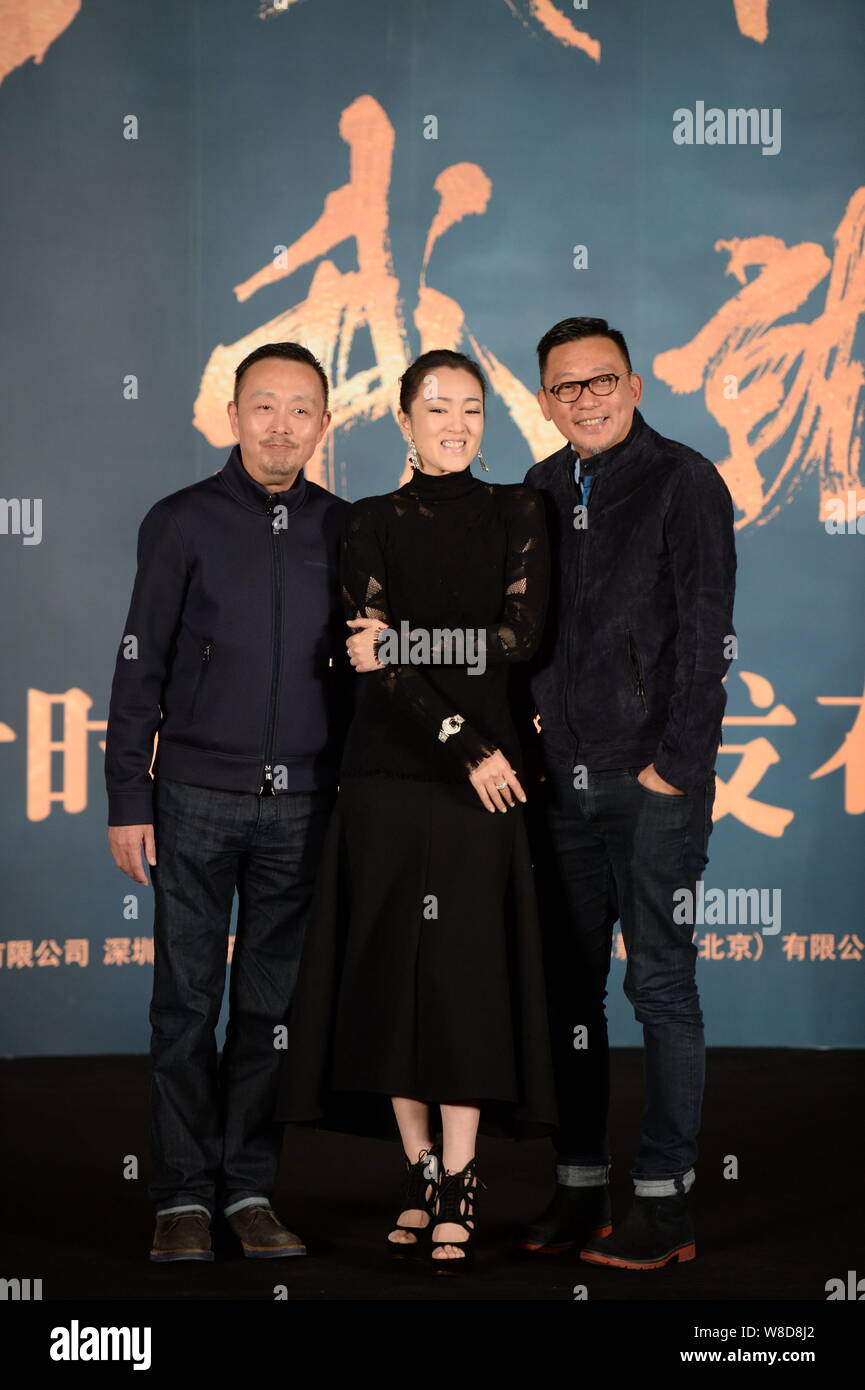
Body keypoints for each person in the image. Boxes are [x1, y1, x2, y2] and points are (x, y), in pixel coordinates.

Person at [275, 348, 557, 1272]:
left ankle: (464, 1179)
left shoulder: (519, 508)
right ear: (402, 421)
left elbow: (516, 638)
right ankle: (421, 1171)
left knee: (463, 984)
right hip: (396, 775)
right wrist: (463, 740)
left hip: (489, 784)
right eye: (437, 407)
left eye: (471, 408)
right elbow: (369, 660)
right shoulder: (366, 522)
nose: (456, 423)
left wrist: (416, 647)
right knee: (392, 982)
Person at [105, 342, 352, 1263]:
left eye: (300, 409)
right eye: (264, 407)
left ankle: (249, 1189)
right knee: (184, 1002)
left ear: (323, 424)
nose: (281, 425)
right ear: (233, 415)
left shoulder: (345, 527)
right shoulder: (180, 521)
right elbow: (140, 668)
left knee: (270, 1011)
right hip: (194, 800)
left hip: (303, 808)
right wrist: (129, 795)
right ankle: (180, 1197)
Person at [514, 316, 736, 1269]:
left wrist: (676, 764)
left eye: (601, 382)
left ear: (634, 385)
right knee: (569, 989)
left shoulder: (683, 480)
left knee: (659, 984)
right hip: (560, 784)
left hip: (654, 785)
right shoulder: (538, 488)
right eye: (565, 388)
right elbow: (523, 630)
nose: (586, 401)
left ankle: (663, 1201)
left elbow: (705, 635)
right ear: (543, 400)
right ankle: (577, 1188)